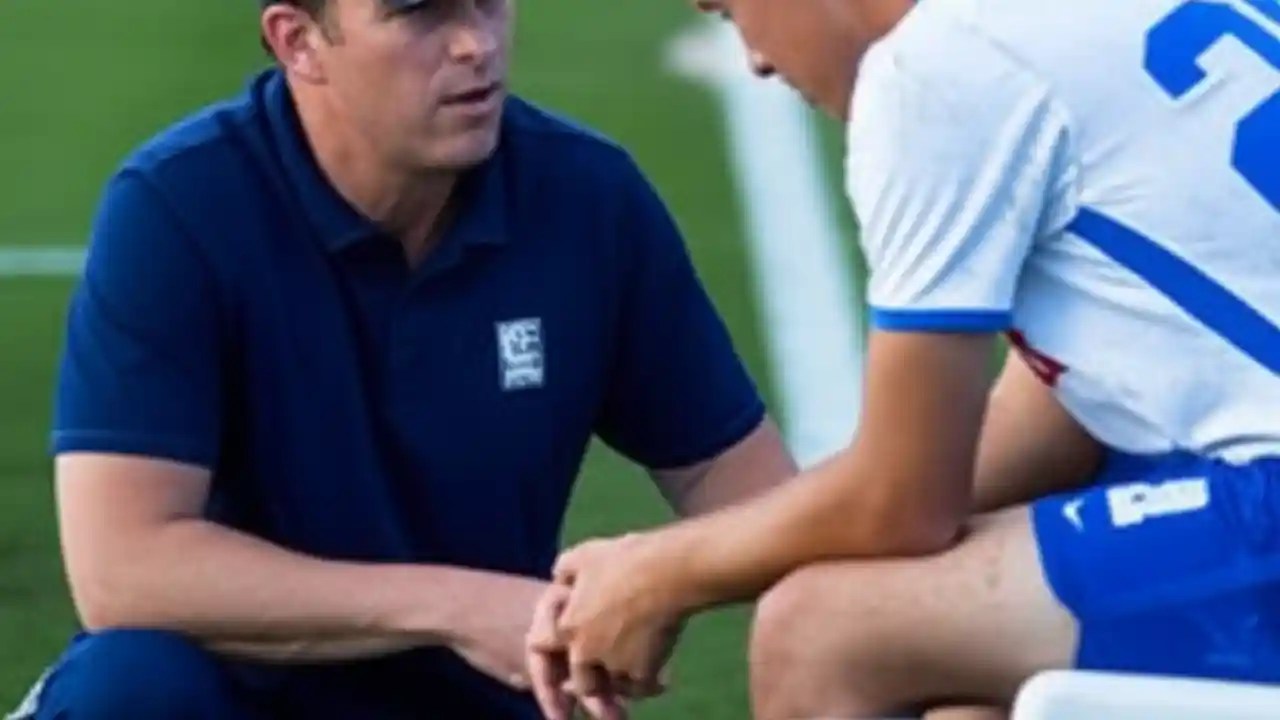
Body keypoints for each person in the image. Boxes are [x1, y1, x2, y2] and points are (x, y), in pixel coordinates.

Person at [20, 0, 801, 718]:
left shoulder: (587, 199)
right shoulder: (178, 207)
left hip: (484, 697)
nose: (476, 44)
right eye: (419, 12)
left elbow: (744, 491)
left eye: (488, 1)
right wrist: (457, 607)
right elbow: (124, 571)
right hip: (237, 698)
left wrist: (655, 578)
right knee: (125, 690)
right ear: (299, 42)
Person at [526, 0, 1280, 718]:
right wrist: (772, 540)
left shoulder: (933, 71)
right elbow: (1056, 420)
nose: (754, 59)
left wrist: (659, 572)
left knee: (820, 634)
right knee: (964, 669)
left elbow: (905, 502)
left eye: (732, 12)